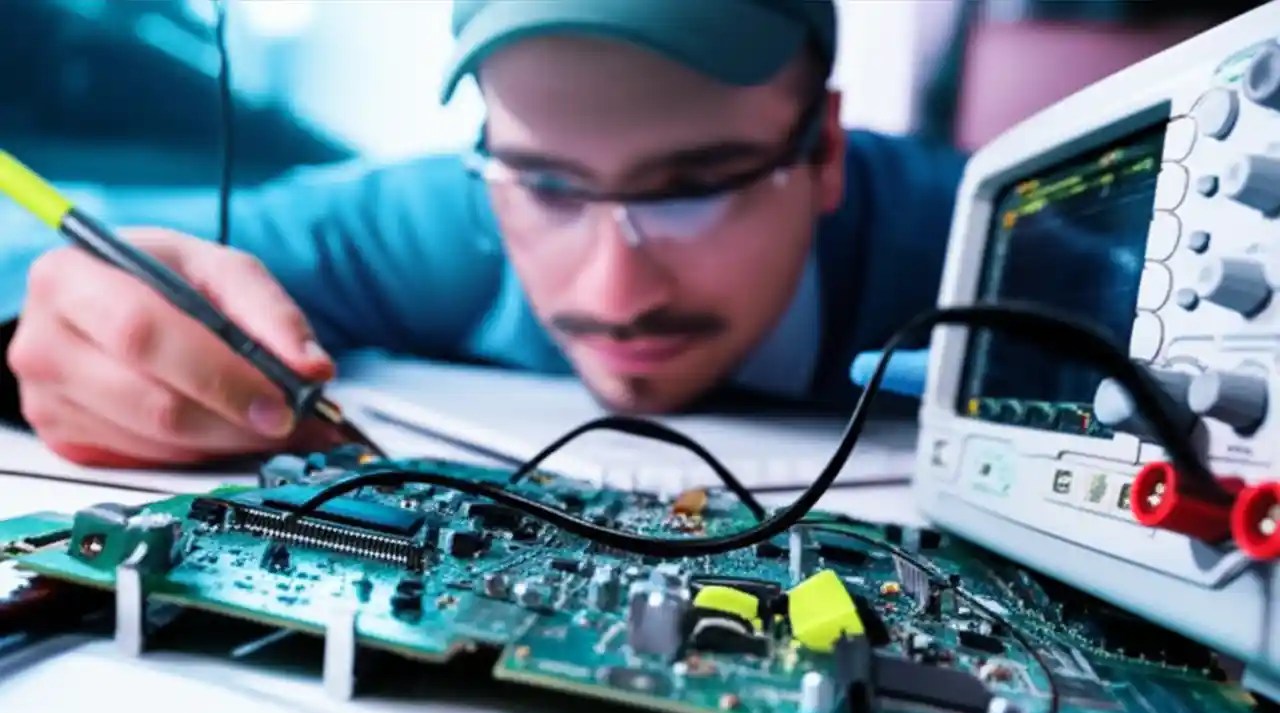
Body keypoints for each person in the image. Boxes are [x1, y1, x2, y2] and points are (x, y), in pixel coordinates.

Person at [0, 0, 965, 469]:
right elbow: (61, 277)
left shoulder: (999, 252)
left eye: (698, 188)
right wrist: (68, 330)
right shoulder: (442, 221)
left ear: (825, 150)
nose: (614, 297)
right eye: (546, 184)